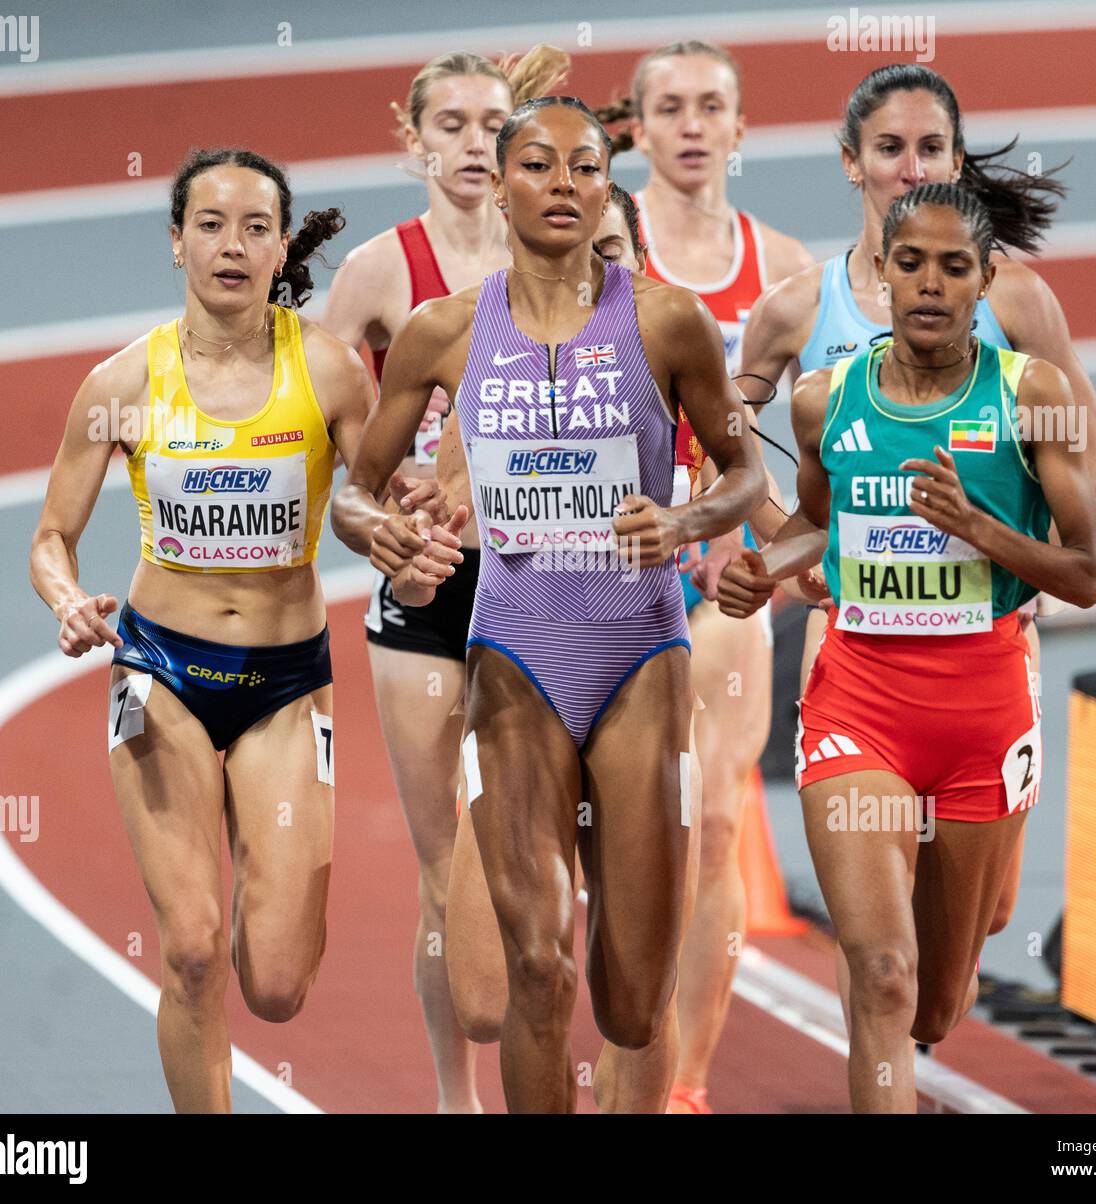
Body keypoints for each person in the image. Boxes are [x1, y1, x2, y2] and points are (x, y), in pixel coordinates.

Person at [333, 96, 767, 1113]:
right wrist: (380, 533)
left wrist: (689, 521)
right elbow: (354, 486)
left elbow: (745, 473)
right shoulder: (444, 330)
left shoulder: (665, 321)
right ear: (504, 181)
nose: (562, 183)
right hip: (514, 654)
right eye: (539, 164)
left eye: (583, 165)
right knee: (535, 969)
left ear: (607, 184)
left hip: (639, 660)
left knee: (627, 1003)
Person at [719, 183, 1096, 1112]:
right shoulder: (824, 401)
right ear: (881, 278)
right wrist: (766, 568)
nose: (930, 284)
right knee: (884, 977)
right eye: (910, 264)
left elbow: (1085, 574)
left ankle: (944, 990)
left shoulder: (1030, 397)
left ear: (985, 280)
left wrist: (981, 528)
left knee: (934, 1004)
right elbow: (822, 527)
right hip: (861, 705)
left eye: (954, 267)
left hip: (984, 716)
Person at [739, 63, 1096, 961]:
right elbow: (717, 431)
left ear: (955, 155)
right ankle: (888, 1036)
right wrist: (793, 546)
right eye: (890, 149)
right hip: (854, 642)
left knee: (977, 914)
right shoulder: (799, 306)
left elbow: (1092, 446)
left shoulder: (1011, 295)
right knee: (882, 914)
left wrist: (1025, 549)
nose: (912, 168)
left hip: (990, 640)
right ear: (851, 162)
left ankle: (920, 1012)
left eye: (932, 147)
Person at [28, 148, 368, 1112]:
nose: (232, 244)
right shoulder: (121, 384)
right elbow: (52, 535)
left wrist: (403, 527)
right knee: (188, 951)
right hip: (161, 672)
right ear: (176, 243)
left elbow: (376, 501)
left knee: (277, 984)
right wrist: (65, 597)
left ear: (279, 246)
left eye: (256, 227)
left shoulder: (332, 372)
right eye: (210, 225)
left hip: (288, 683)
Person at [320, 44, 568, 1115]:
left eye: (491, 124)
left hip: (550, 583)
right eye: (453, 125)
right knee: (443, 874)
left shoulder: (569, 251)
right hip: (428, 589)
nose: (473, 143)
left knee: (534, 871)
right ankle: (453, 1100)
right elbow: (318, 439)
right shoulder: (381, 271)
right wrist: (376, 511)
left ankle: (540, 1080)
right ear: (412, 140)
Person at [595, 38, 813, 1114]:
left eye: (709, 106)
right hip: (602, 570)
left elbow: (790, 437)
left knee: (720, 821)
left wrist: (785, 544)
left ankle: (683, 1085)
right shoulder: (602, 241)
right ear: (633, 127)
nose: (690, 125)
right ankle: (611, 1057)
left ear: (740, 127)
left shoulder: (778, 268)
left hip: (720, 572)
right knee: (627, 831)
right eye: (668, 107)